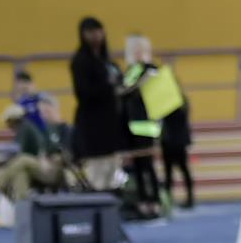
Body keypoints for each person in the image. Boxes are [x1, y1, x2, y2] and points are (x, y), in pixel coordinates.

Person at [69, 17, 123, 191]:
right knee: (97, 177)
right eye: (91, 32)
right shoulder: (80, 62)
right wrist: (109, 86)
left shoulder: (108, 61)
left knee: (112, 174)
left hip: (110, 126)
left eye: (99, 31)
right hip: (92, 128)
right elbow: (83, 93)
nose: (96, 36)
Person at [118, 36, 163, 217]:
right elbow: (123, 90)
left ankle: (155, 201)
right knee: (137, 166)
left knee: (148, 165)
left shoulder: (151, 69)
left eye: (141, 50)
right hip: (131, 126)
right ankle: (143, 201)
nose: (138, 53)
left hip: (147, 126)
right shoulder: (130, 71)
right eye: (135, 50)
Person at [0, 104, 63, 203]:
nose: (7, 125)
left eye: (8, 121)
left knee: (22, 160)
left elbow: (16, 148)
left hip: (44, 167)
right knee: (20, 172)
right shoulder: (24, 129)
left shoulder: (25, 128)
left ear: (13, 120)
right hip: (35, 166)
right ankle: (21, 203)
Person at [159, 80, 193, 211]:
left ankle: (188, 198)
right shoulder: (174, 101)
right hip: (170, 140)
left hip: (176, 140)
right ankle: (169, 200)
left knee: (182, 169)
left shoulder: (177, 101)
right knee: (170, 172)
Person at [11, 71, 61, 138]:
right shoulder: (21, 103)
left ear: (32, 84)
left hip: (45, 133)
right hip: (30, 135)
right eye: (21, 89)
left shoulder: (43, 98)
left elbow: (55, 115)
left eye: (25, 87)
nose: (24, 91)